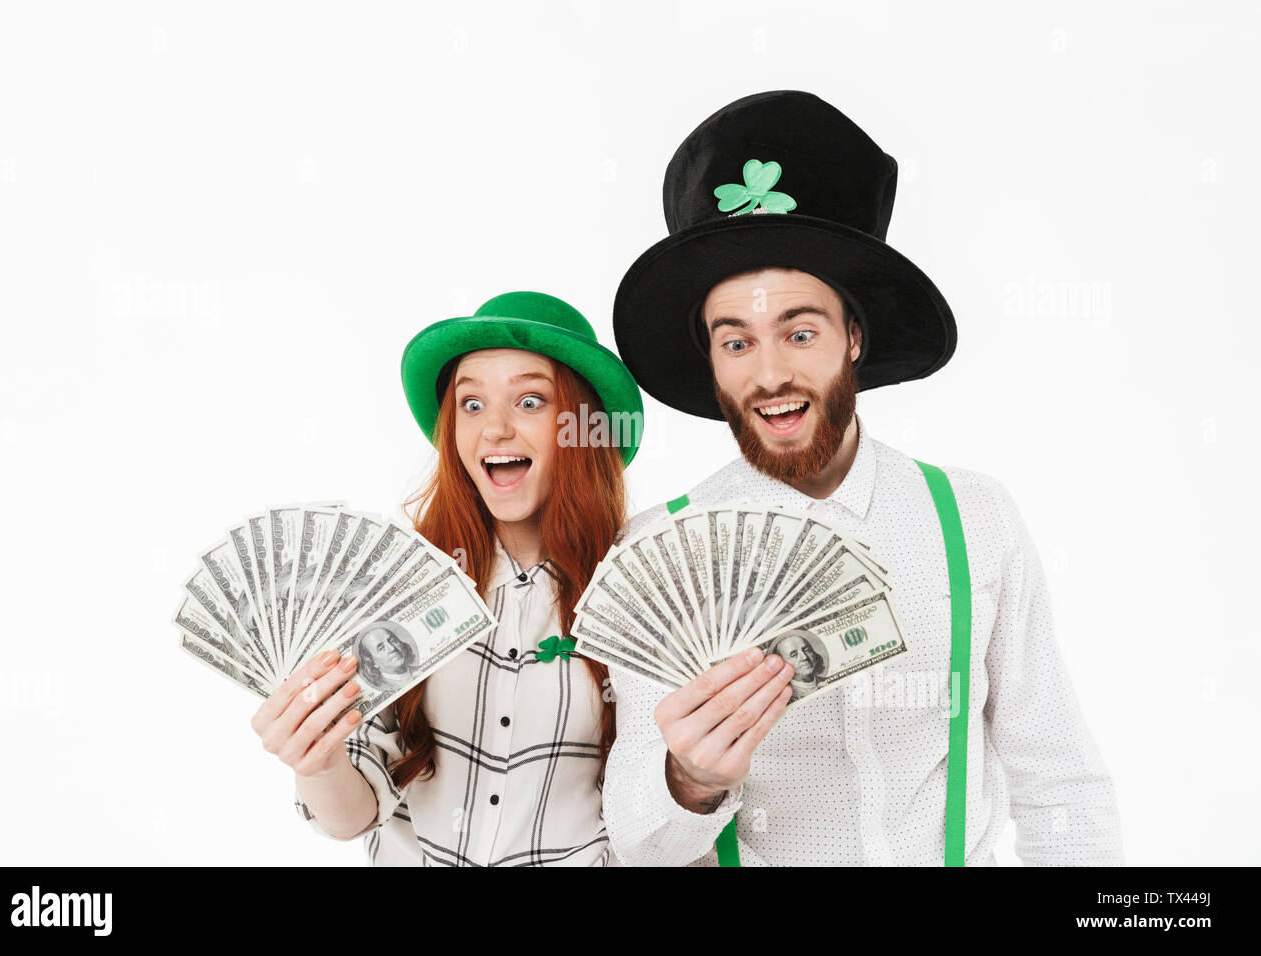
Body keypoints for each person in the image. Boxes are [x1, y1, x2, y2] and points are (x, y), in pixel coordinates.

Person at [600, 90, 1124, 866]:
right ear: (710, 361)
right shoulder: (662, 552)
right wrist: (689, 778)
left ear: (853, 336)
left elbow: (1060, 784)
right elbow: (640, 847)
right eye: (735, 342)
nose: (770, 374)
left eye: (799, 331)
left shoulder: (975, 518)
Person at [250, 291, 644, 865]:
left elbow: (652, 813)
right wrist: (319, 761)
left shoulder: (638, 591)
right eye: (472, 405)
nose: (495, 430)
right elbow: (354, 813)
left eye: (530, 401)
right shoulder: (395, 584)